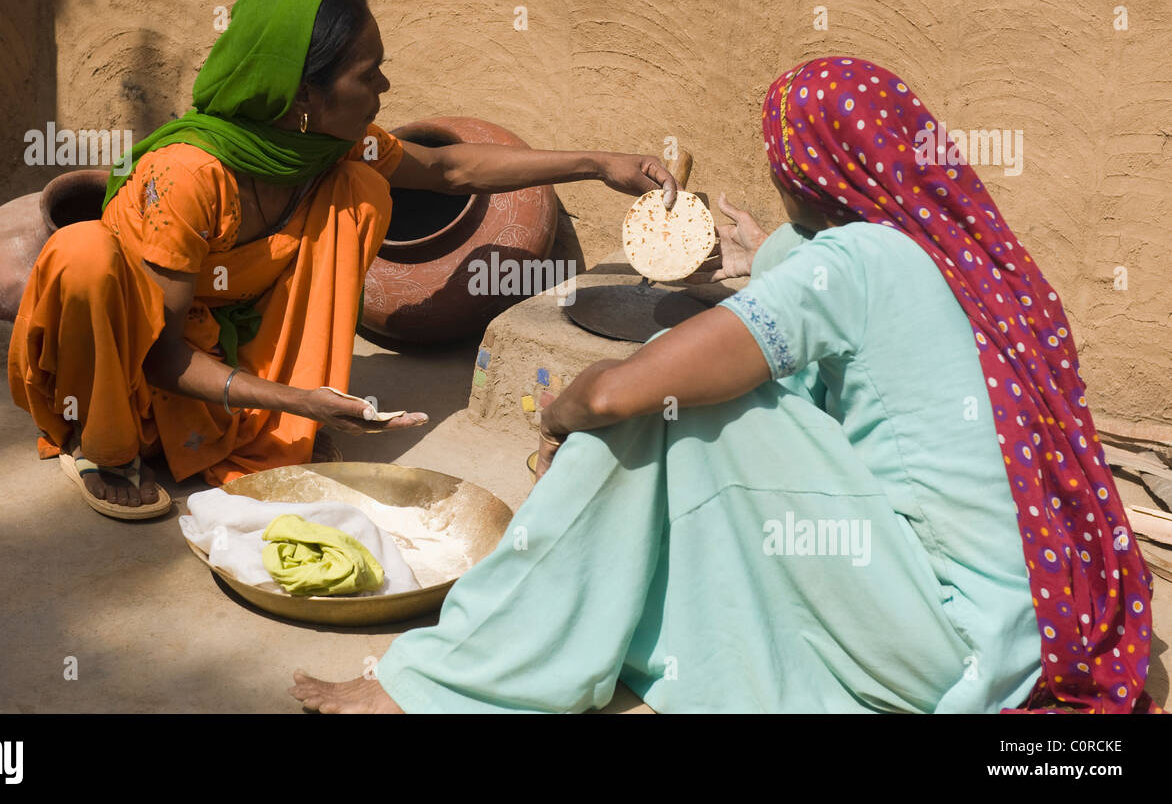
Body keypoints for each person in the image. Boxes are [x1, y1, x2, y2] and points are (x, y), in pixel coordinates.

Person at [290, 56, 1160, 714]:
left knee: (665, 402)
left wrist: (565, 411)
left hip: (940, 638)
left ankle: (446, 682)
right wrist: (761, 258)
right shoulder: (956, 254)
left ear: (807, 169)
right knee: (683, 396)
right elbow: (828, 286)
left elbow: (621, 391)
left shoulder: (852, 262)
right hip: (1022, 626)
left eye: (783, 155)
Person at [6, 0, 679, 519]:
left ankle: (262, 427)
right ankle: (104, 443)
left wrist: (597, 161)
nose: (384, 90)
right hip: (129, 362)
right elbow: (160, 351)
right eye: (370, 74)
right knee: (85, 255)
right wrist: (297, 402)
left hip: (213, 354)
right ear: (304, 97)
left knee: (361, 191)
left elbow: (450, 170)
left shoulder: (328, 147)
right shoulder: (189, 175)